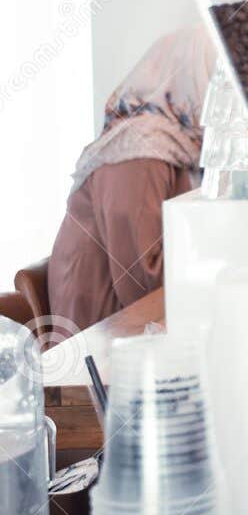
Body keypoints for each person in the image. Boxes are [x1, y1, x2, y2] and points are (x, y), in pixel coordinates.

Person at [47, 28, 215, 331]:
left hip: (136, 328)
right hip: (98, 346)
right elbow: (141, 283)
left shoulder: (179, 147)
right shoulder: (138, 152)